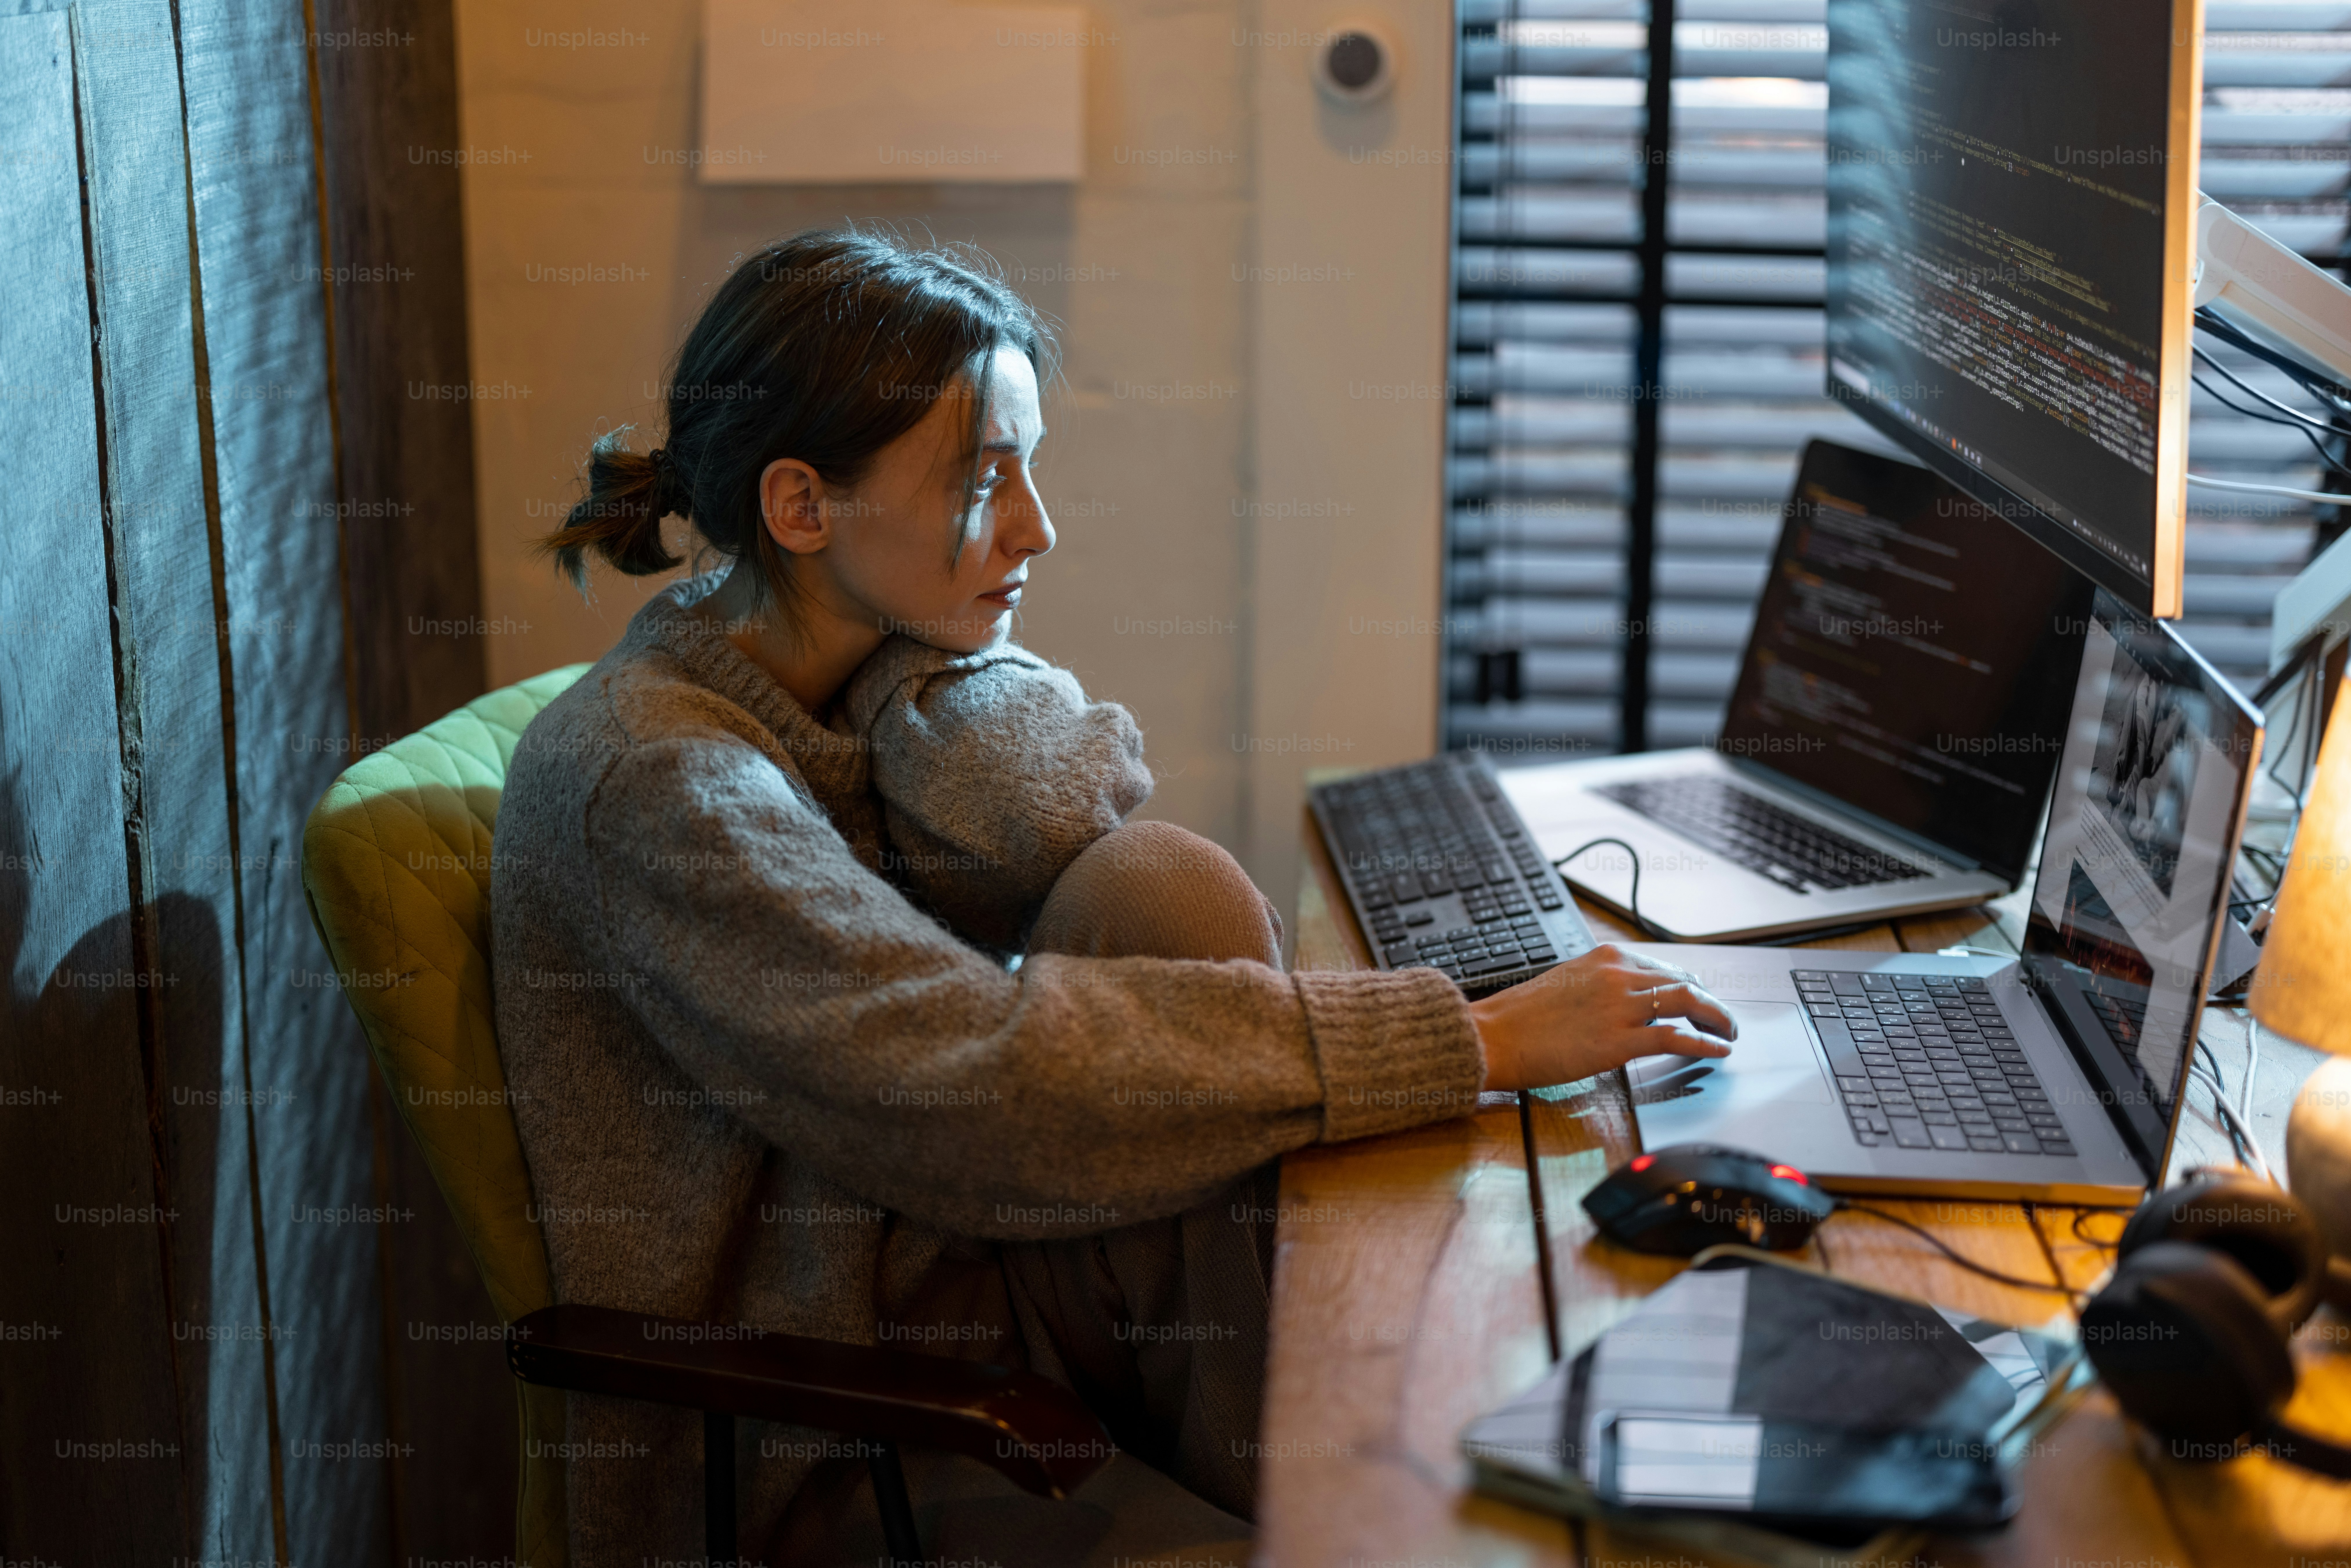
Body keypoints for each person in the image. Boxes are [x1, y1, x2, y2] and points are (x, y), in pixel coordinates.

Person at [490, 227, 1736, 1565]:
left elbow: (1043, 808)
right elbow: (965, 1078)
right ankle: (1377, 1482)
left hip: (972, 1288)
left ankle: (1372, 1453)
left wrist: (927, 664)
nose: (1037, 524)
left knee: (1162, 895)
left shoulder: (840, 668)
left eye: (1029, 465)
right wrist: (1472, 1040)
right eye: (982, 479)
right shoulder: (661, 783)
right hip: (844, 1437)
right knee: (1221, 970)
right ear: (801, 509)